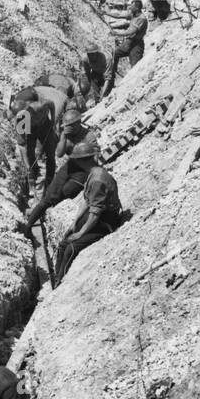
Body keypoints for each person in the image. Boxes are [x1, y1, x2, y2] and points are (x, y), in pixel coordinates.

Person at [53, 154, 124, 286]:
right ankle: (56, 278)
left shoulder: (97, 180)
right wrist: (75, 223)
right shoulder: (92, 173)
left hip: (105, 221)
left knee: (71, 248)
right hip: (97, 216)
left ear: (82, 162)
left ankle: (61, 283)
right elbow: (87, 201)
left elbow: (95, 214)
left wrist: (80, 233)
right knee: (64, 243)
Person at [24, 130, 102, 234]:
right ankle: (28, 226)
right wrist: (64, 138)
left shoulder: (88, 135)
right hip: (70, 165)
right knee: (49, 196)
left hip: (83, 171)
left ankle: (48, 216)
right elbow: (59, 153)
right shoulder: (66, 135)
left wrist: (91, 171)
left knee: (65, 193)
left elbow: (95, 158)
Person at [11, 96, 57, 205]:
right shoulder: (20, 123)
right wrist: (28, 166)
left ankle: (50, 181)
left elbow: (51, 103)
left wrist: (53, 119)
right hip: (31, 130)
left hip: (45, 124)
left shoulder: (39, 106)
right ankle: (32, 182)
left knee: (50, 153)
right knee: (30, 155)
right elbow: (22, 145)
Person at [102, 0, 148, 97]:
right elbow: (119, 15)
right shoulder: (133, 15)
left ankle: (134, 91)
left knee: (134, 68)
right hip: (129, 43)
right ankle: (111, 79)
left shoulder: (141, 19)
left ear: (137, 8)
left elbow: (131, 31)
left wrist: (116, 33)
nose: (130, 8)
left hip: (136, 46)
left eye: (132, 6)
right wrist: (107, 12)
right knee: (114, 53)